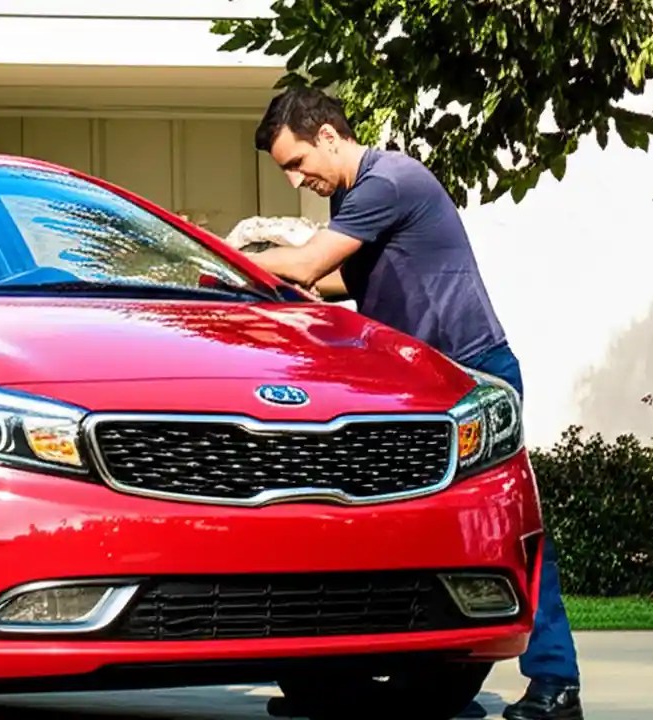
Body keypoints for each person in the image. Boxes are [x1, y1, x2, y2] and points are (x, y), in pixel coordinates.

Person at [247, 87, 583, 720]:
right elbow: (347, 279)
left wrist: (224, 258)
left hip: (472, 378)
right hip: (409, 390)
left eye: (297, 164)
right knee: (356, 528)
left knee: (511, 533)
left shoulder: (388, 180)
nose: (297, 180)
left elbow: (314, 263)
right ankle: (332, 687)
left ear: (327, 136)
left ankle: (556, 684)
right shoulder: (355, 198)